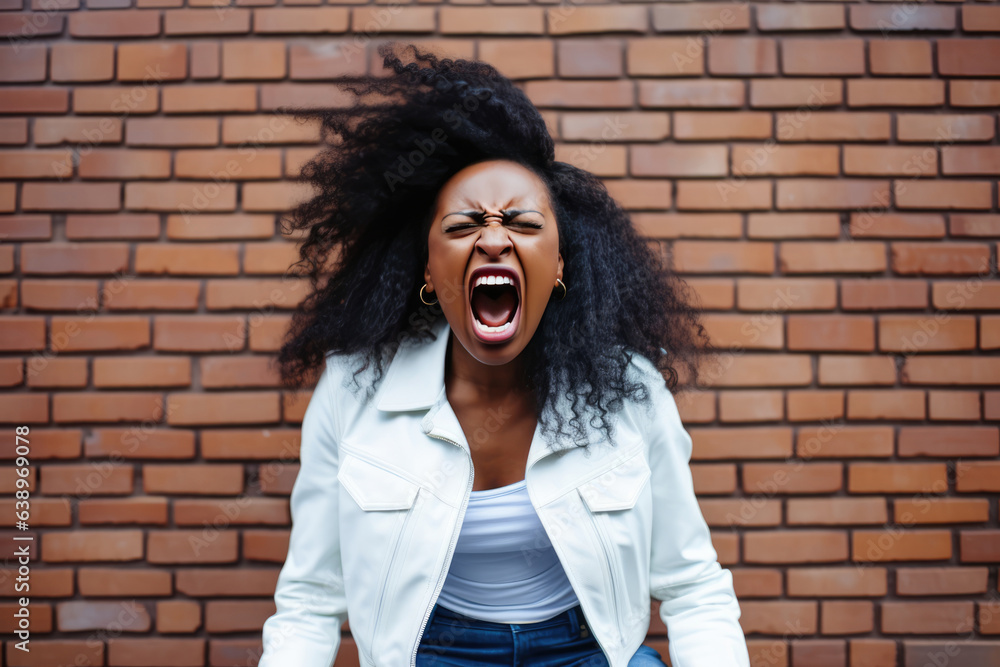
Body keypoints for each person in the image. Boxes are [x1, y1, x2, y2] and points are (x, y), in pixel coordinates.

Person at [258, 42, 751, 667]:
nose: (493, 239)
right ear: (428, 271)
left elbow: (694, 588)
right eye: (463, 227)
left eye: (523, 224)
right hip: (435, 653)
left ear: (561, 266)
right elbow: (310, 600)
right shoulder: (352, 391)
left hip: (586, 652)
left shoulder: (630, 390)